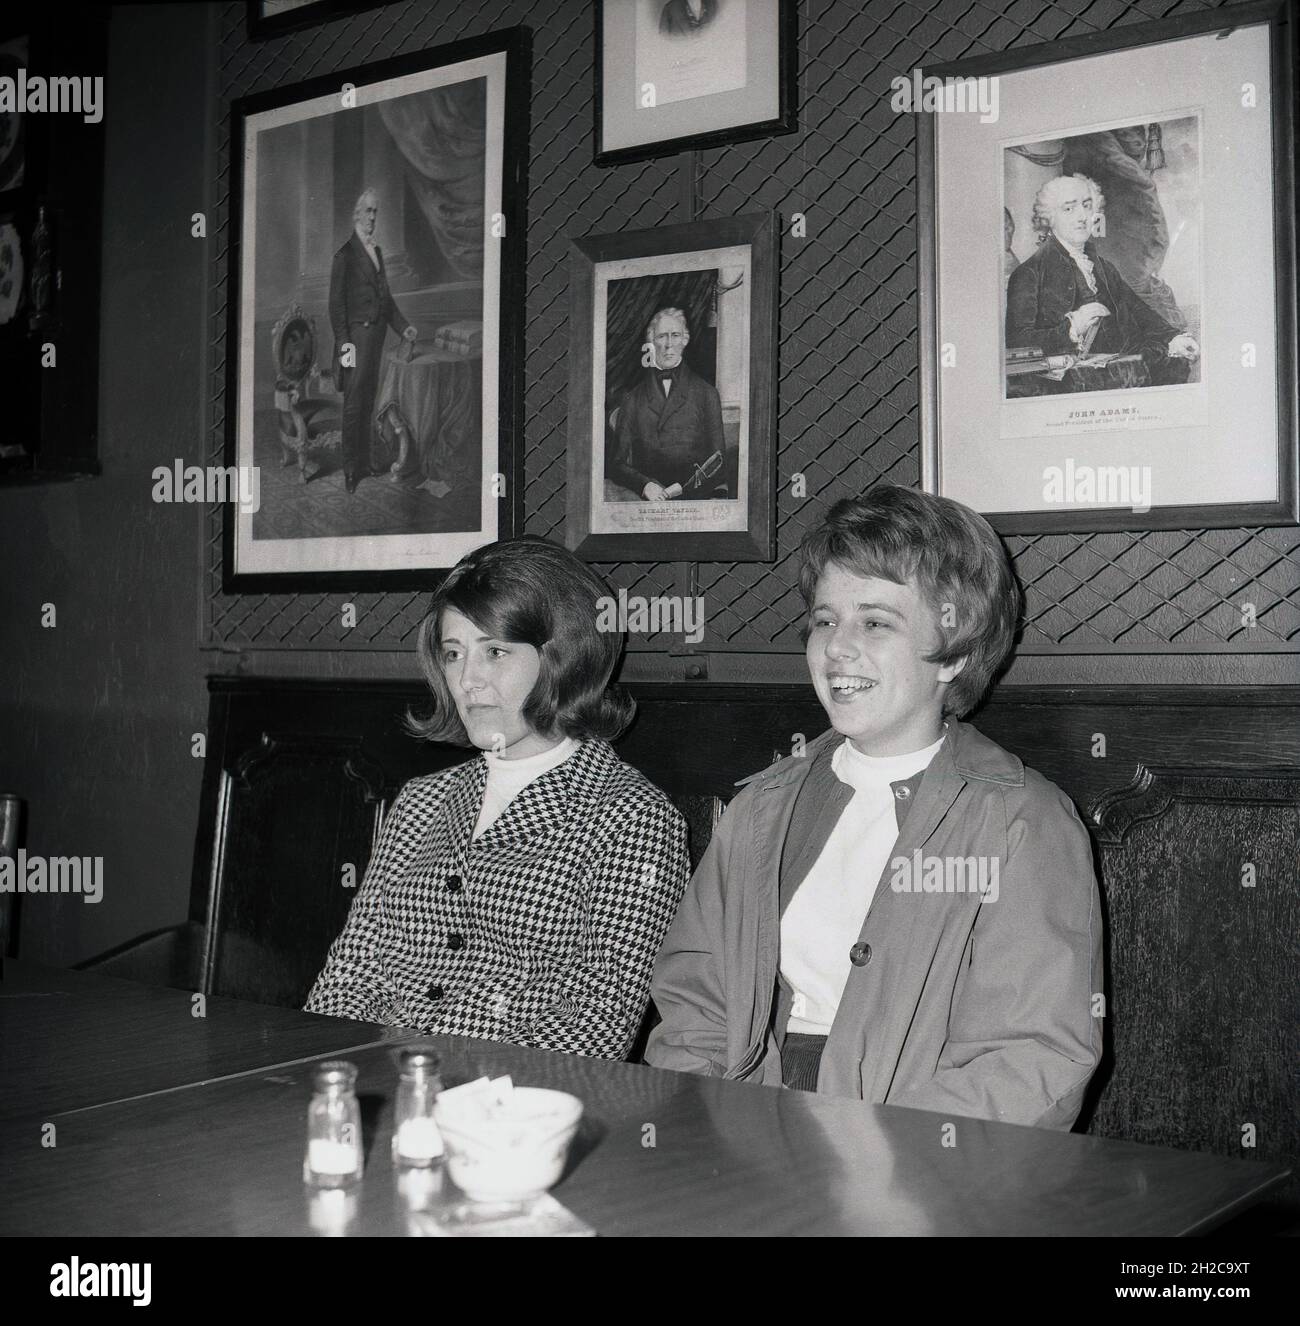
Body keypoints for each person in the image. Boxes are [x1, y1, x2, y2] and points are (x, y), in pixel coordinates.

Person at [646, 485, 1104, 1129]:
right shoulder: (763, 806)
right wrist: (707, 1123)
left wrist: (885, 1159)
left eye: (876, 622)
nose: (836, 647)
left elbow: (1034, 1058)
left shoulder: (1021, 822)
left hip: (929, 1148)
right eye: (826, 619)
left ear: (958, 654)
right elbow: (695, 995)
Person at [306, 537, 690, 1058]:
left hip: (517, 1106)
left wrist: (457, 1085)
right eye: (454, 654)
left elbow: (598, 1025)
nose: (467, 680)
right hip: (384, 1080)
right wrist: (335, 1070)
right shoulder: (422, 802)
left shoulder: (631, 819)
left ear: (562, 658)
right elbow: (350, 976)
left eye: (495, 651)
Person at [1005, 173, 1198, 387]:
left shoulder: (1104, 267)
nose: (1081, 217)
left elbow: (1139, 310)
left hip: (1124, 370)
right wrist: (1072, 327)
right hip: (1073, 384)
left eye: (1087, 206)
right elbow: (1017, 342)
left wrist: (1172, 338)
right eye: (1069, 209)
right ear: (1050, 218)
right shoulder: (1028, 273)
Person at [328, 188, 417, 493]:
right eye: (367, 211)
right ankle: (350, 469)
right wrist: (344, 347)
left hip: (374, 339)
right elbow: (336, 306)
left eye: (376, 212)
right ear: (356, 214)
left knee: (367, 401)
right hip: (353, 341)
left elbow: (386, 298)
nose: (372, 217)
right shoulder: (345, 255)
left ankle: (364, 463)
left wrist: (403, 327)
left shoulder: (376, 251)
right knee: (353, 403)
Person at [607, 307, 729, 501]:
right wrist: (645, 485)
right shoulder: (632, 399)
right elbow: (616, 463)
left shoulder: (707, 394)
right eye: (662, 336)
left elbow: (718, 461)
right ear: (651, 342)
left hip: (693, 496)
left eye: (675, 335)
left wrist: (683, 488)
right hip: (649, 500)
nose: (669, 344)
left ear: (685, 340)